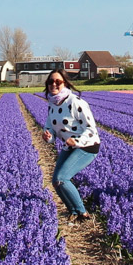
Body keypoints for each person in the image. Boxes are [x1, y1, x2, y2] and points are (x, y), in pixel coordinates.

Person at [42, 69, 101, 221]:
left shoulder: (75, 102)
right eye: (50, 82)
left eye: (58, 82)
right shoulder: (52, 103)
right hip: (70, 146)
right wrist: (48, 135)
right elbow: (50, 127)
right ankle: (74, 211)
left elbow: (91, 129)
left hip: (87, 146)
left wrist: (77, 141)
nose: (53, 84)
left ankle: (83, 213)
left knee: (62, 178)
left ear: (65, 83)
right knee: (56, 181)